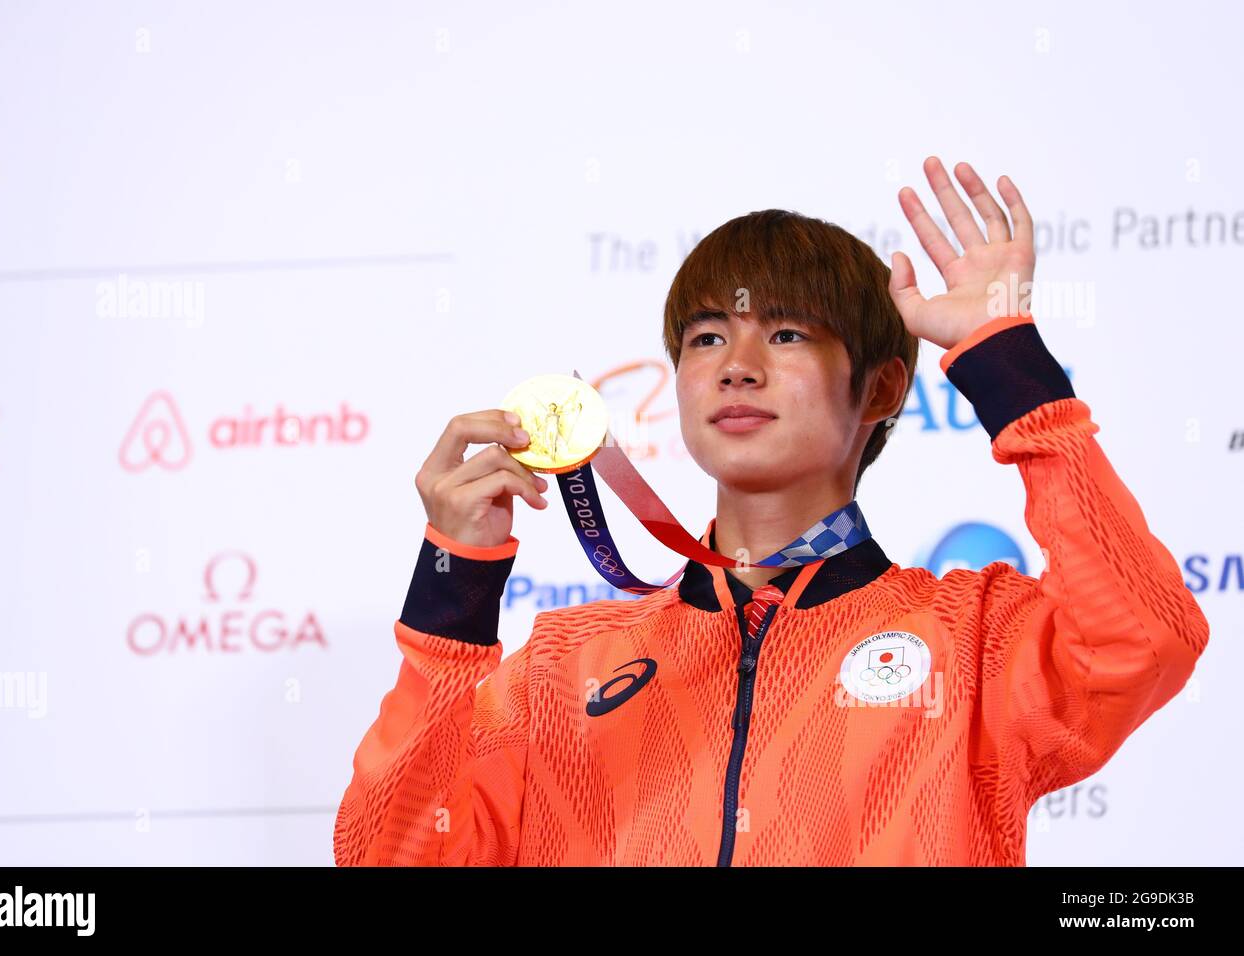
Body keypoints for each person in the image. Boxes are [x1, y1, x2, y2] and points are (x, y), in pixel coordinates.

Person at [331, 157, 1210, 866]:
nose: (737, 364)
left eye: (786, 334)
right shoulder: (561, 668)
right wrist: (454, 589)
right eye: (706, 335)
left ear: (881, 388)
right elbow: (392, 854)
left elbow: (1146, 636)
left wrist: (1006, 360)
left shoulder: (976, 641)